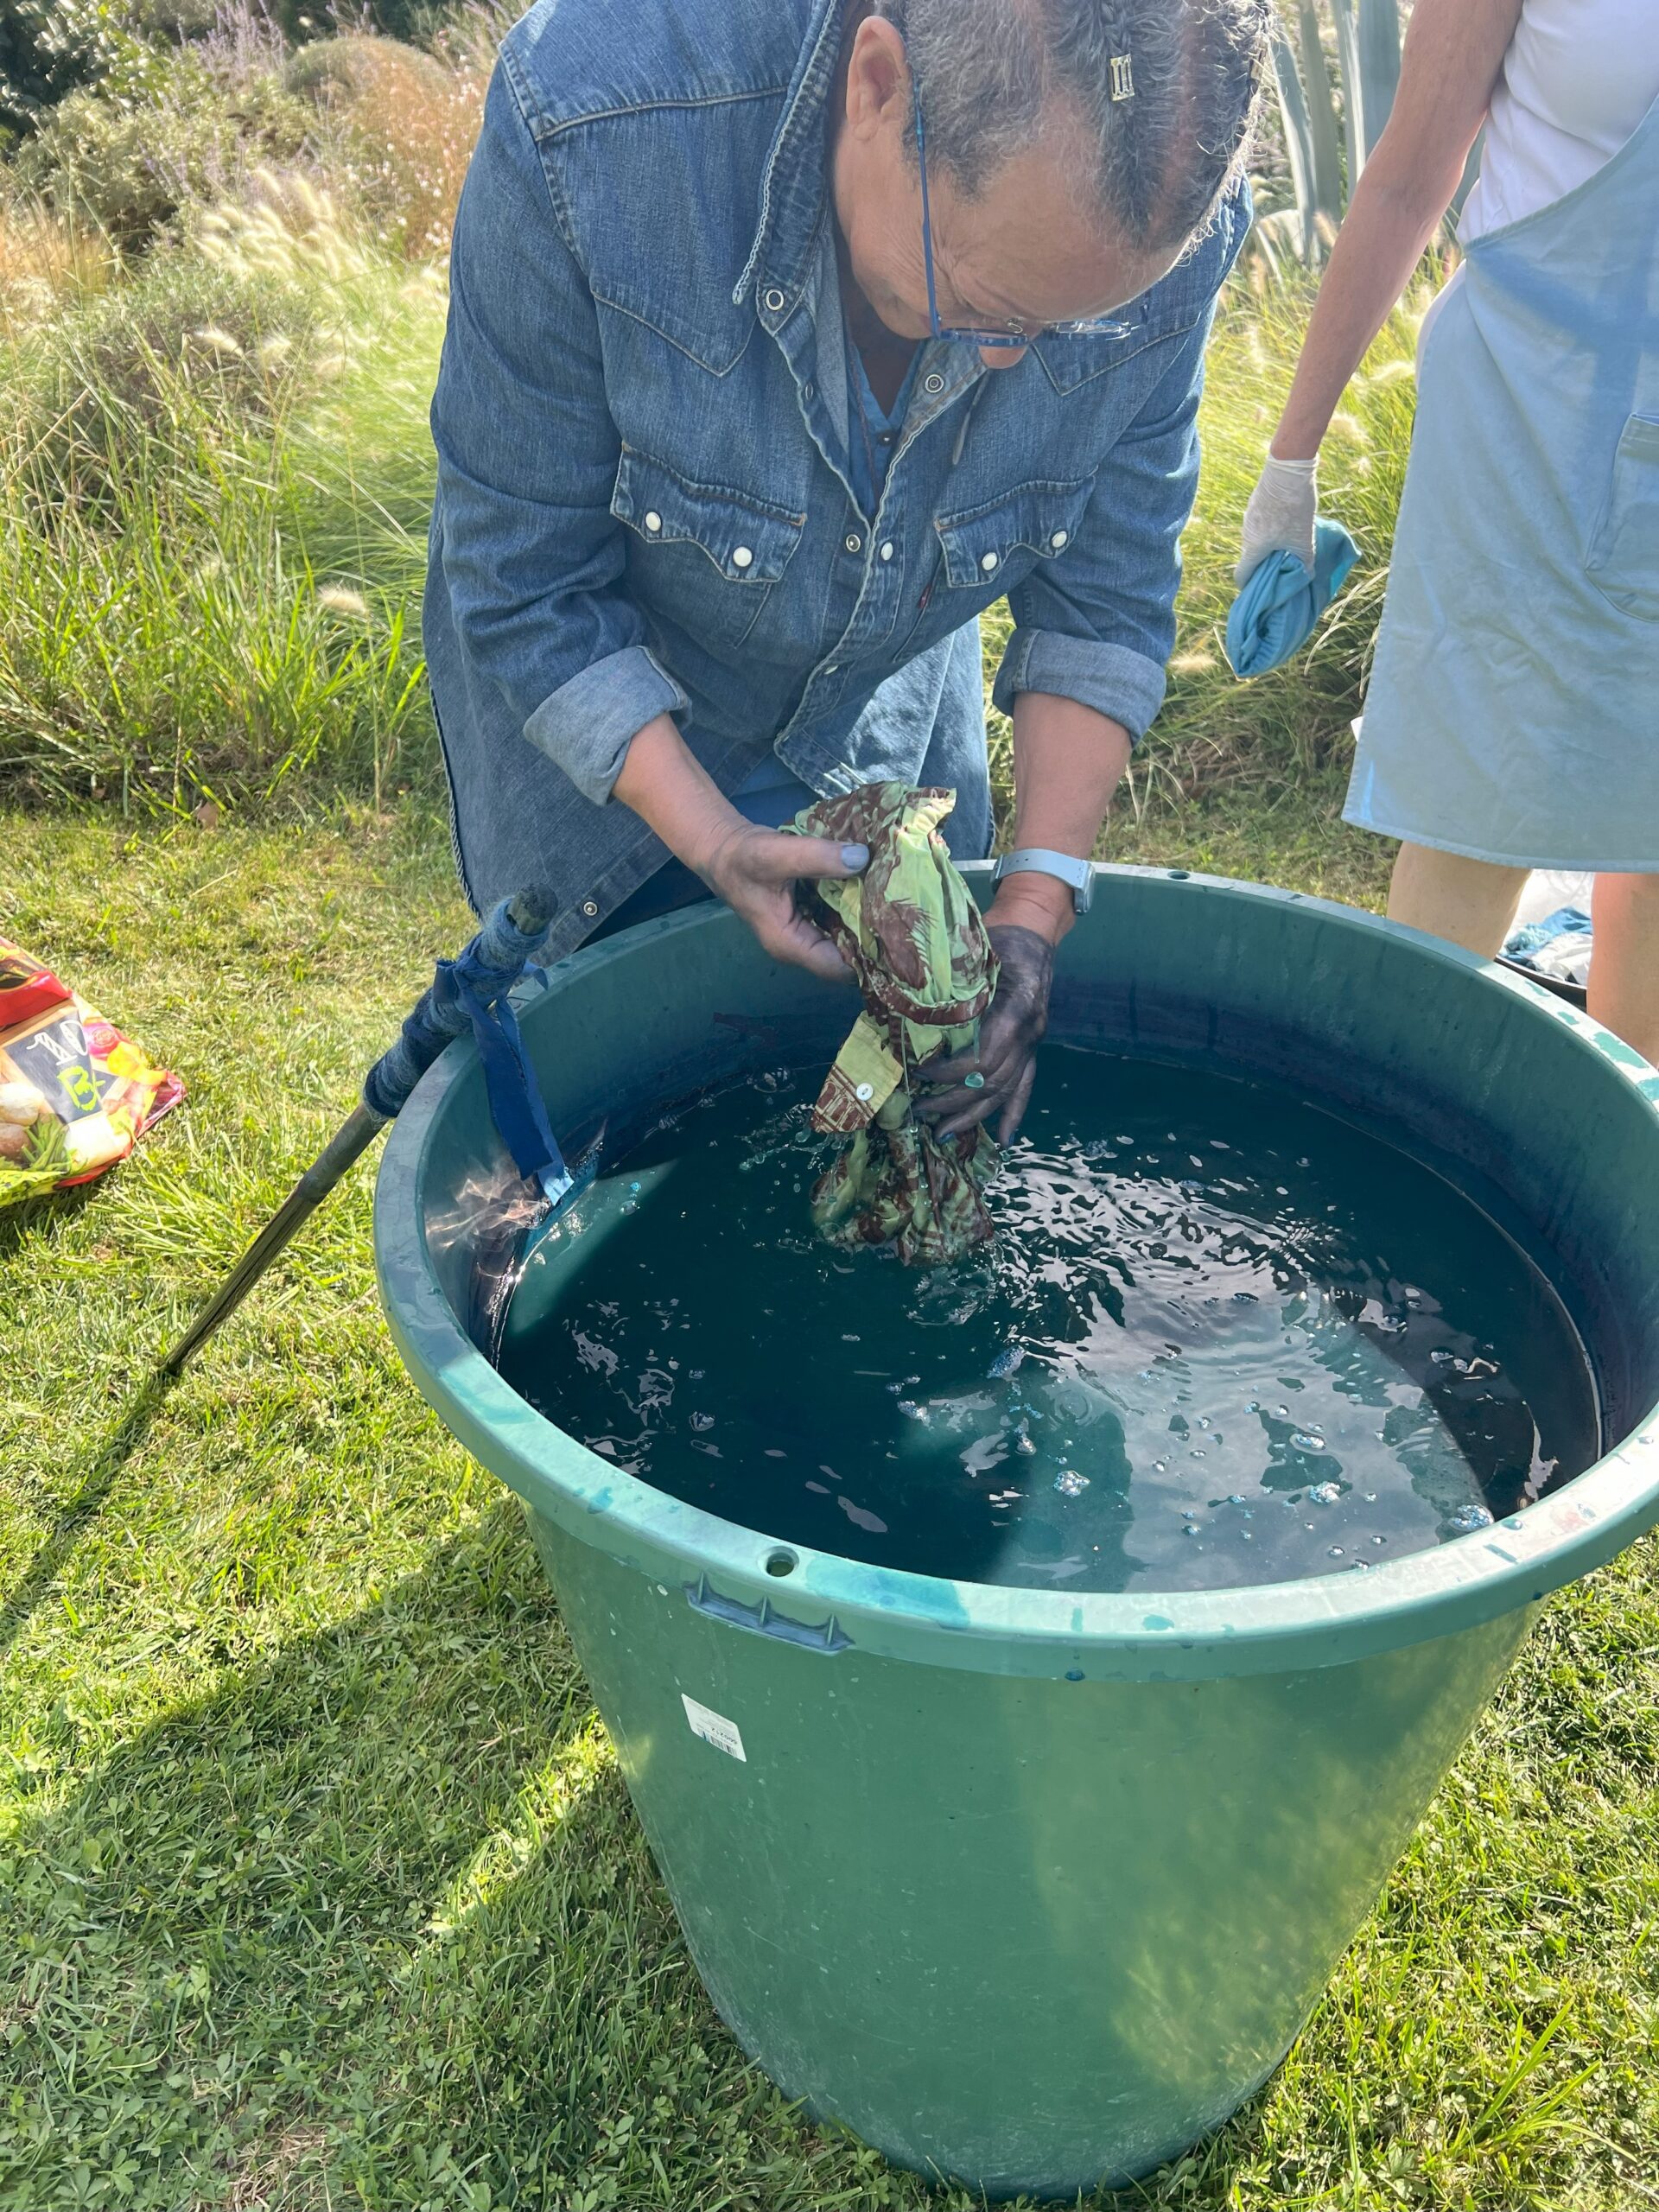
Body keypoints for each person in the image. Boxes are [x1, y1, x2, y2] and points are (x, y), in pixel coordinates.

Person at [428, 0, 1273, 1144]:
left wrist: (1032, 906)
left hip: (888, 703)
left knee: (904, 1141)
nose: (1008, 362)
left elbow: (1105, 595)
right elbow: (526, 580)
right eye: (983, 302)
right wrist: (713, 835)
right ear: (877, 84)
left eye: (1067, 328)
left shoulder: (1172, 208)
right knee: (638, 1131)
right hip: (611, 756)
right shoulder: (591, 116)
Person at [1238, 0, 1659, 1061]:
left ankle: (1626, 1157)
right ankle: (1402, 1142)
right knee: (1475, 825)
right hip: (1518, 434)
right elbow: (1405, 178)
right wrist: (1292, 461)